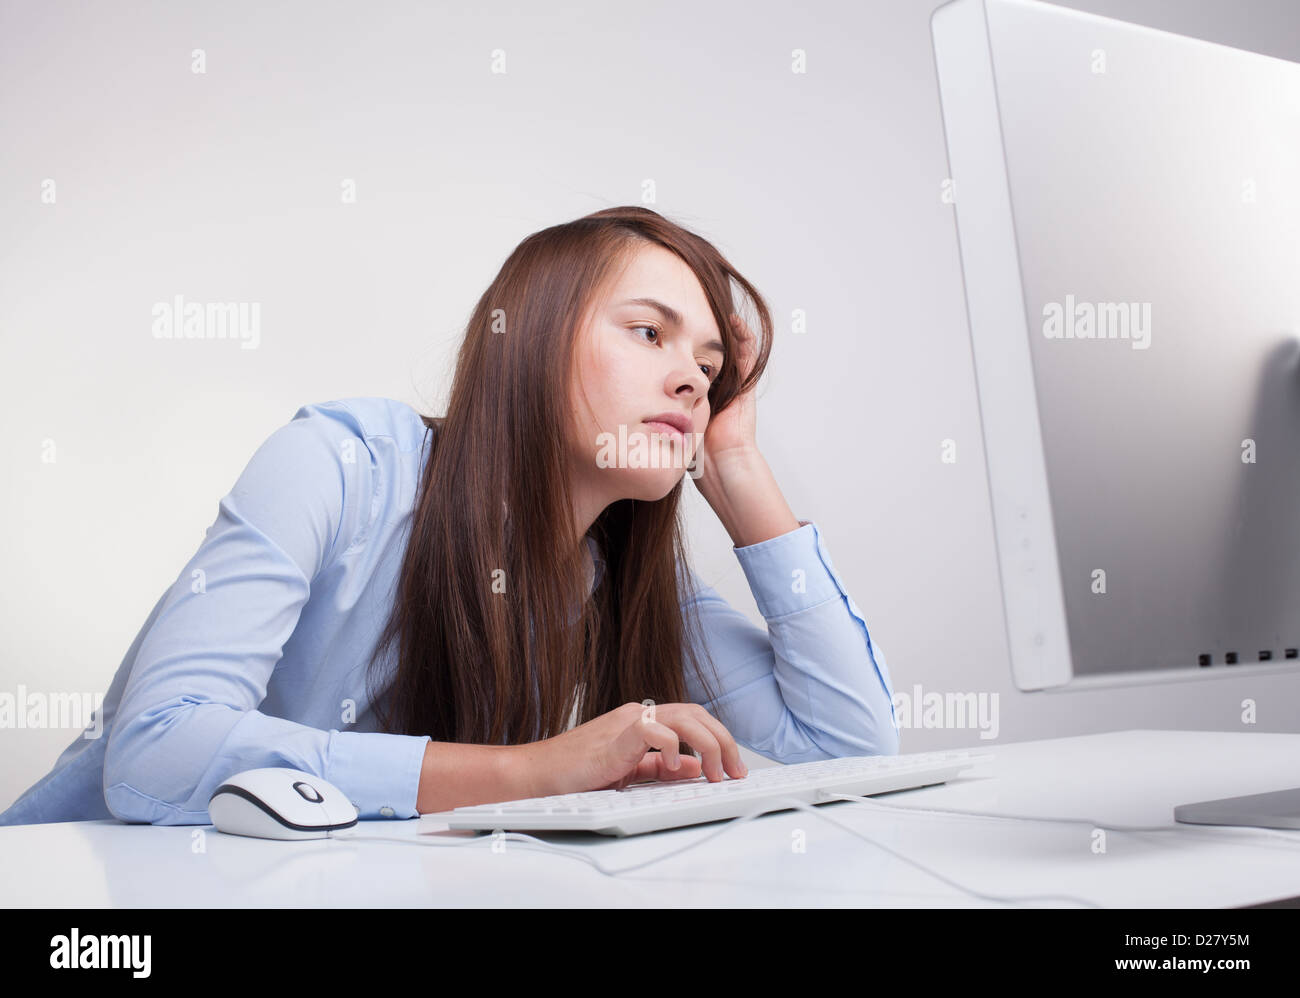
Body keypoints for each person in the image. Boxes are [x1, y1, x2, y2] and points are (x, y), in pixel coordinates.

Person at [0, 206, 900, 826]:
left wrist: (734, 465)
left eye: (707, 368)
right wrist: (533, 773)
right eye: (648, 332)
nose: (691, 382)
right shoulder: (340, 465)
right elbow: (156, 751)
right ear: (534, 338)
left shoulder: (619, 574)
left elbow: (849, 745)